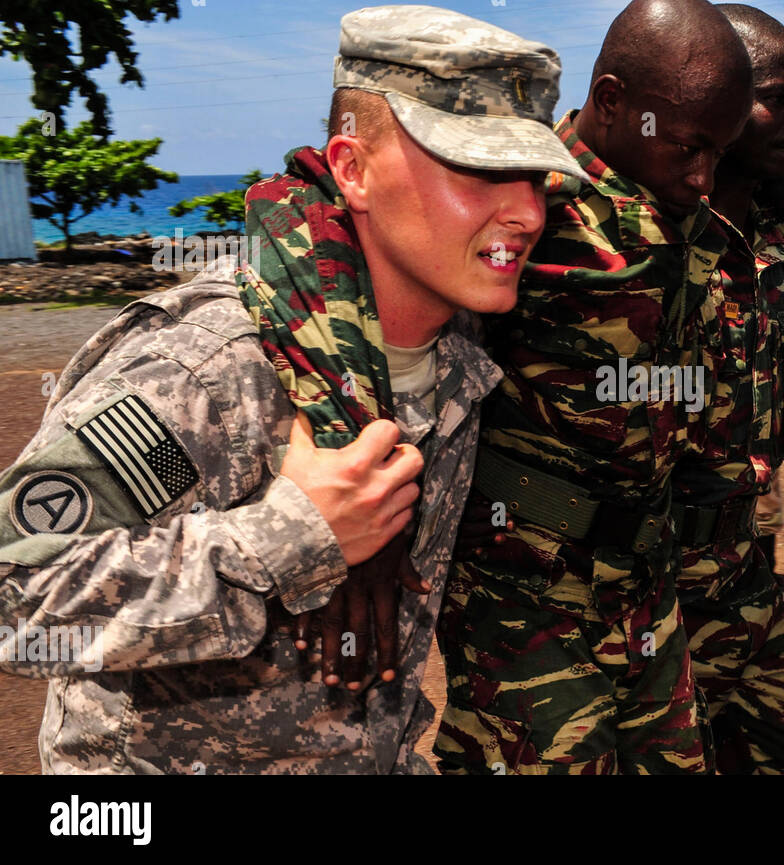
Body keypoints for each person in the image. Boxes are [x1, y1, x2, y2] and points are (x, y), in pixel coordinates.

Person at [0, 5, 582, 773]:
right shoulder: (211, 373)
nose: (527, 212)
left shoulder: (457, 357)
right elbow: (17, 593)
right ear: (352, 168)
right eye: (478, 170)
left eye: (534, 177)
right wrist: (292, 535)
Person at [433, 0, 754, 774]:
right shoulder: (523, 201)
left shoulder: (684, 216)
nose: (705, 174)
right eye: (690, 147)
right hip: (524, 589)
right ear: (612, 103)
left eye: (721, 151)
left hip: (645, 582)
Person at [669, 3, 784, 774]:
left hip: (737, 561)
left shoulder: (773, 215)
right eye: (777, 98)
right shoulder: (642, 225)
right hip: (641, 584)